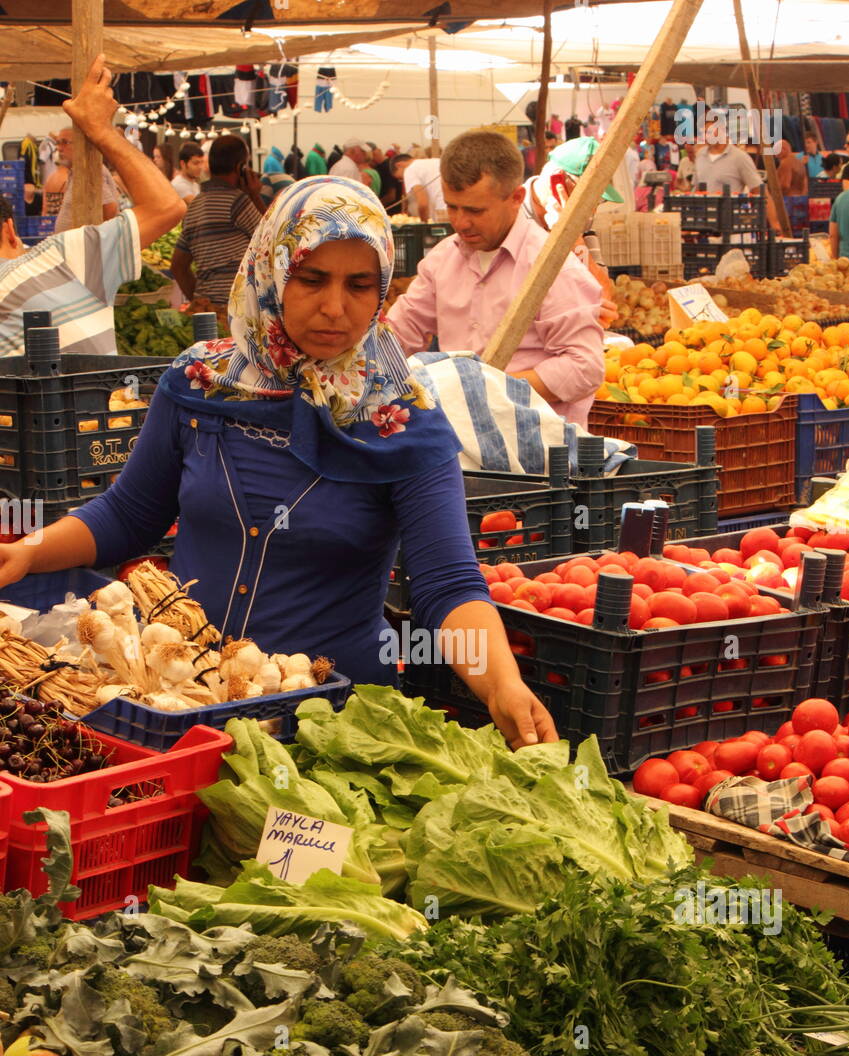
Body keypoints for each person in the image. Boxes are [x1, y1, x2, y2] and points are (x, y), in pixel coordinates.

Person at [0, 177, 556, 752]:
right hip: (186, 703)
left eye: (360, 285)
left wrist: (502, 685)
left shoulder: (403, 418)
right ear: (271, 269)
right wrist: (28, 552)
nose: (335, 307)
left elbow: (448, 584)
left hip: (332, 722)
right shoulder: (199, 384)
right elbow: (128, 514)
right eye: (311, 279)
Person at [387, 129, 604, 427]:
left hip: (539, 449)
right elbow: (400, 333)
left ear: (516, 198)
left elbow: (584, 368)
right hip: (461, 440)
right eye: (453, 207)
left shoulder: (552, 267)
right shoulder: (441, 261)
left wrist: (487, 389)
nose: (461, 223)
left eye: (475, 210)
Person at [0, 54, 184, 355]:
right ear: (10, 229)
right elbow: (167, 207)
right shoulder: (53, 260)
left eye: (63, 143)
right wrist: (101, 129)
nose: (59, 149)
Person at [522, 135, 620, 325]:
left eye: (598, 199)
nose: (593, 208)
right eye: (590, 197)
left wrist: (573, 239)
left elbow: (604, 299)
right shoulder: (510, 215)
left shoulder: (581, 223)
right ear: (556, 181)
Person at [170, 135, 264, 312]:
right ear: (240, 167)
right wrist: (254, 195)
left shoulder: (194, 205)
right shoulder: (238, 202)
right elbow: (272, 239)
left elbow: (178, 266)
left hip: (205, 309)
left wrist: (202, 301)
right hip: (236, 308)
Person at [47, 126, 120, 233]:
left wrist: (90, 238)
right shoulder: (77, 172)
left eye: (64, 142)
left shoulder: (90, 170)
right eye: (57, 143)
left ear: (81, 144)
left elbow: (110, 209)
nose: (59, 148)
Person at [693, 132, 762, 195]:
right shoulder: (700, 155)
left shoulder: (739, 157)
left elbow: (759, 190)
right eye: (704, 132)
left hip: (730, 207)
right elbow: (696, 188)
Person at [403, 151, 443, 222]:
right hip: (454, 210)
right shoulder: (437, 161)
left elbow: (423, 203)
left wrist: (424, 224)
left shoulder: (409, 170)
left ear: (399, 165)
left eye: (400, 178)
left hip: (441, 214)